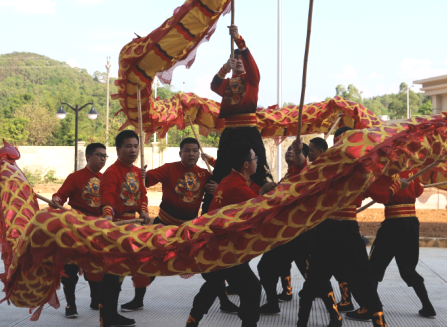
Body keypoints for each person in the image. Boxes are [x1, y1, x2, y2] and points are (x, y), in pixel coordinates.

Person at [118, 138, 238, 314]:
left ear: (199, 153)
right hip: (163, 225)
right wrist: (141, 175)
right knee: (148, 261)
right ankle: (138, 299)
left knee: (210, 264)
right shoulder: (168, 168)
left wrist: (218, 188)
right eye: (187, 150)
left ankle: (224, 302)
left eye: (195, 151)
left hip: (189, 229)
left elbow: (225, 186)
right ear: (180, 153)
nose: (191, 154)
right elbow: (146, 181)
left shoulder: (205, 174)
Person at [186, 141, 264, 327]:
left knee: (214, 283)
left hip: (218, 245)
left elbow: (254, 194)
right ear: (246, 164)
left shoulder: (230, 180)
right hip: (226, 249)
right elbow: (262, 207)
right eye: (255, 159)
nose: (257, 162)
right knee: (252, 288)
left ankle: (193, 320)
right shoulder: (236, 187)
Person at [202, 25, 274, 214]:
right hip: (230, 132)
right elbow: (214, 85)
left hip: (250, 131)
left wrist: (238, 39)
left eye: (242, 60)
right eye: (236, 60)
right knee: (221, 172)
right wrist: (225, 68)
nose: (240, 62)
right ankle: (206, 214)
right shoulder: (227, 84)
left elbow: (252, 66)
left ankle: (273, 209)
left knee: (262, 171)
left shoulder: (252, 80)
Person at [330, 126, 388, 326]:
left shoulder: (329, 166)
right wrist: (398, 185)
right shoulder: (361, 167)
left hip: (329, 230)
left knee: (317, 277)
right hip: (347, 227)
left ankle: (337, 314)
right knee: (360, 273)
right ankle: (377, 315)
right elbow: (382, 194)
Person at [97, 130, 153, 327]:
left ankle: (110, 314)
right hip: (116, 227)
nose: (133, 150)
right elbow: (108, 196)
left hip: (133, 227)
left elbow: (142, 197)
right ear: (118, 149)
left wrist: (144, 213)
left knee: (120, 273)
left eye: (136, 146)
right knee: (112, 273)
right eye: (128, 146)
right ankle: (107, 315)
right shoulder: (112, 172)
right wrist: (107, 216)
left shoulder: (138, 172)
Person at [367, 170, 437, 320]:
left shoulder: (386, 171)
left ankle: (369, 309)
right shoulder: (412, 167)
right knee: (408, 268)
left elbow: (380, 195)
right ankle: (428, 306)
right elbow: (418, 191)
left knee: (374, 266)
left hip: (394, 223)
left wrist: (395, 188)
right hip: (411, 223)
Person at [292, 137, 345, 327]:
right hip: (298, 232)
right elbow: (301, 163)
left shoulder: (330, 171)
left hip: (314, 233)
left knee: (315, 279)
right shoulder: (310, 171)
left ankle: (334, 315)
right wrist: (298, 151)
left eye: (311, 150)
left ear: (321, 152)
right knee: (312, 280)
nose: (309, 154)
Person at [51, 142, 108, 318]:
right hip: (75, 229)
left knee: (97, 267)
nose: (102, 159)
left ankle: (95, 299)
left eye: (105, 156)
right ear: (88, 157)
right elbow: (60, 195)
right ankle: (71, 305)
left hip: (96, 230)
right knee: (70, 269)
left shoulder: (106, 178)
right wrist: (56, 200)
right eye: (99, 155)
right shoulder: (75, 177)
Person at [257, 144, 309, 308]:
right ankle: (276, 300)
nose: (290, 152)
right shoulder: (287, 176)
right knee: (267, 267)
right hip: (284, 233)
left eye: (296, 151)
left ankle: (335, 312)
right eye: (288, 150)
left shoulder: (303, 173)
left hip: (298, 233)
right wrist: (265, 190)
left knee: (313, 276)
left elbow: (302, 163)